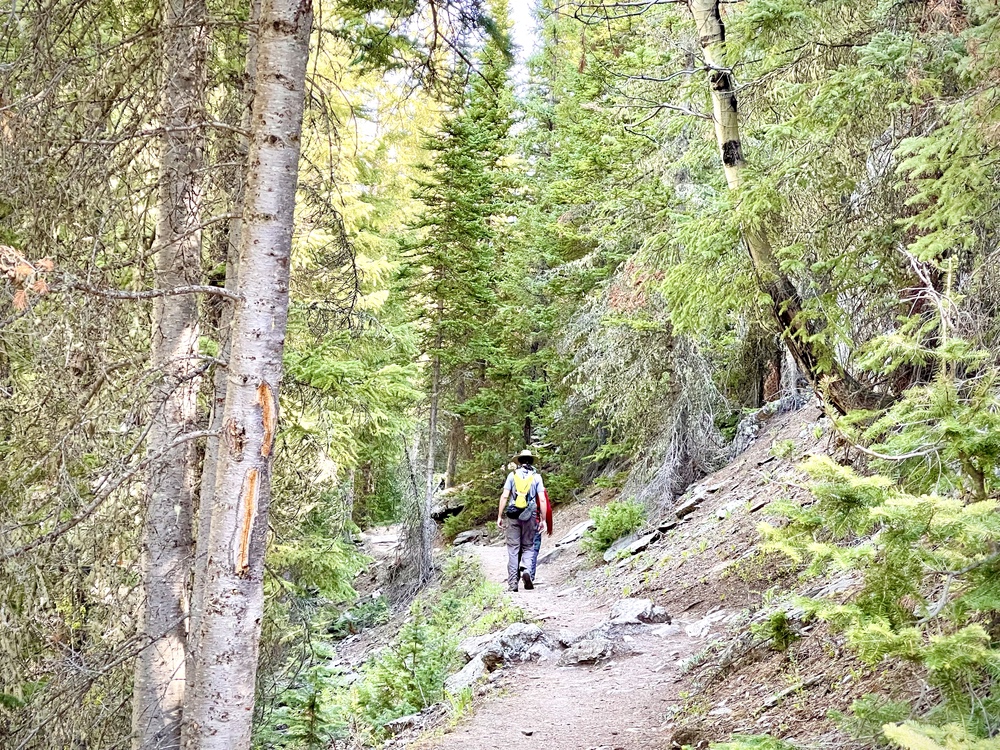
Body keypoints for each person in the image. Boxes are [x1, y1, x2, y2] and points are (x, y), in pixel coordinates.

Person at [497, 449, 551, 592]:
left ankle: (513, 584)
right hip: (530, 515)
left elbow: (504, 496)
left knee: (513, 549)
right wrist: (543, 520)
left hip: (513, 514)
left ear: (519, 461)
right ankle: (526, 570)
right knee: (528, 546)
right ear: (531, 461)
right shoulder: (536, 477)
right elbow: (542, 499)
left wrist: (499, 515)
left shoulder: (512, 475)